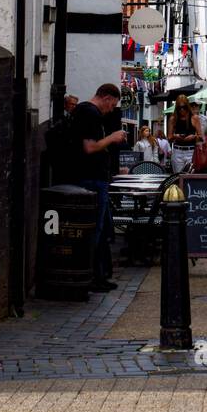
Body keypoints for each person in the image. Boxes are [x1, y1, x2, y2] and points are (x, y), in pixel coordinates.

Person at [73, 84, 127, 293]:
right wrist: (112, 137)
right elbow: (90, 146)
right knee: (95, 230)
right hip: (92, 180)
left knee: (101, 230)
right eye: (112, 104)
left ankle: (98, 275)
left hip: (95, 178)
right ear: (105, 98)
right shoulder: (90, 113)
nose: (112, 109)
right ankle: (93, 277)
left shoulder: (89, 112)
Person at [167, 95, 204, 174]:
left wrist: (193, 137)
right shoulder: (173, 119)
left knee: (190, 177)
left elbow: (201, 137)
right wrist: (175, 136)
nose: (182, 110)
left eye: (184, 107)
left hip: (190, 151)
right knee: (178, 177)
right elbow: (169, 137)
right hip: (177, 151)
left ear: (187, 106)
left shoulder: (194, 118)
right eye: (179, 108)